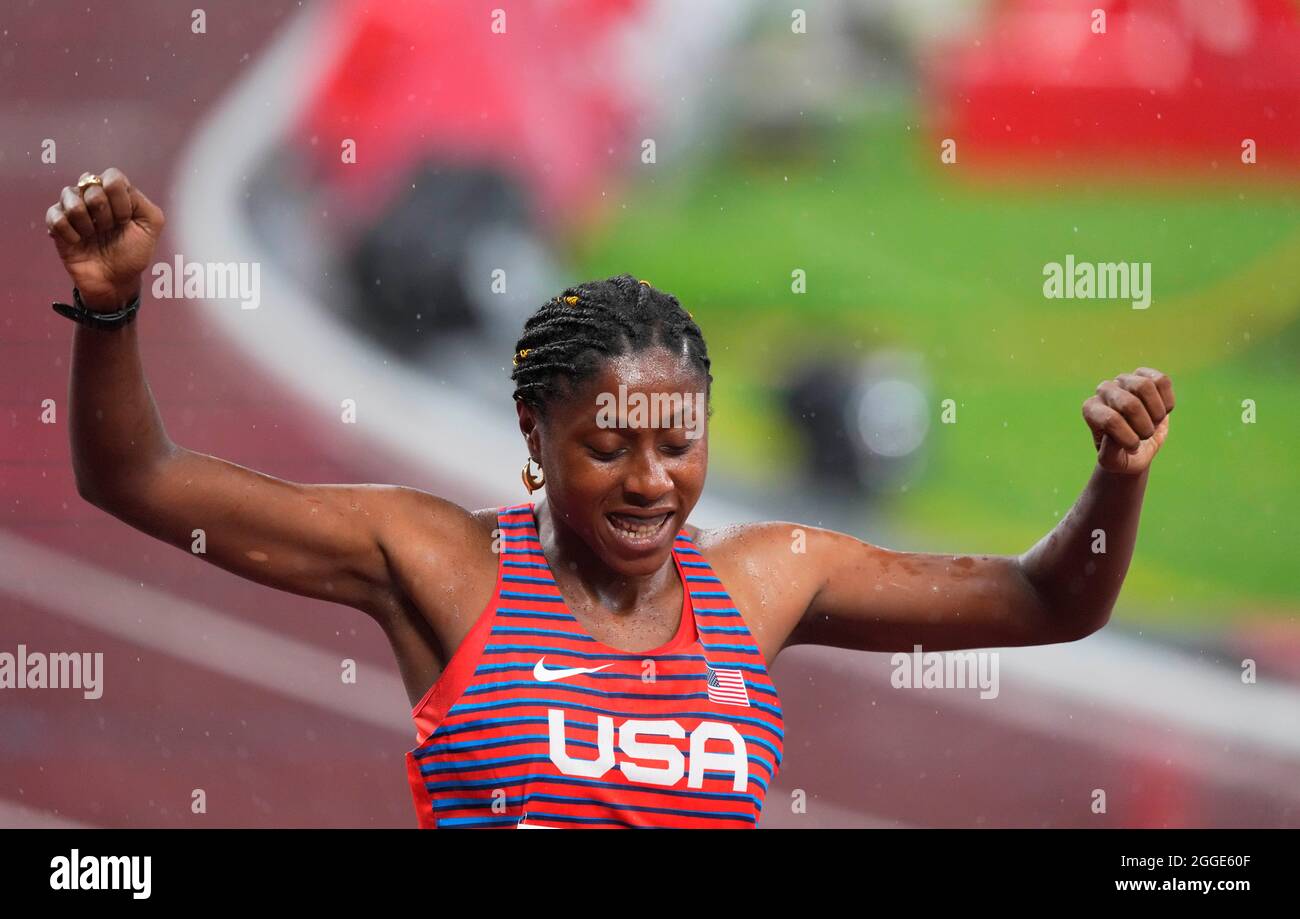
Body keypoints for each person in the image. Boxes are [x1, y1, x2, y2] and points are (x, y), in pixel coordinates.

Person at [44, 168, 1174, 828]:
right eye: (608, 446)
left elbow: (1046, 602)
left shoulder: (766, 578)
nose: (650, 481)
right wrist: (110, 312)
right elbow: (137, 476)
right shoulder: (438, 560)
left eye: (679, 444)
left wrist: (1112, 484)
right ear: (534, 437)